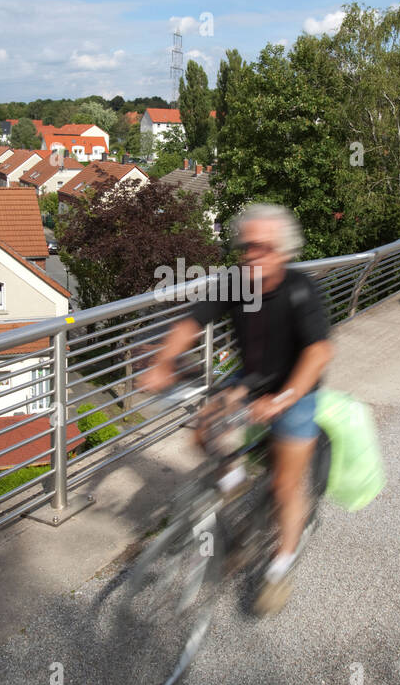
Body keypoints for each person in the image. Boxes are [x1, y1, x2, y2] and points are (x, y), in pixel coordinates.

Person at [141, 203, 334, 615]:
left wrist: (282, 400)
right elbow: (190, 324)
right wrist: (162, 362)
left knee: (285, 485)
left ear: (283, 251)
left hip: (294, 391)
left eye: (264, 247)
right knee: (201, 428)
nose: (253, 255)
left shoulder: (301, 290)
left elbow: (318, 352)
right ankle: (235, 476)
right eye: (247, 247)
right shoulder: (235, 283)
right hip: (249, 381)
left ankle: (280, 568)